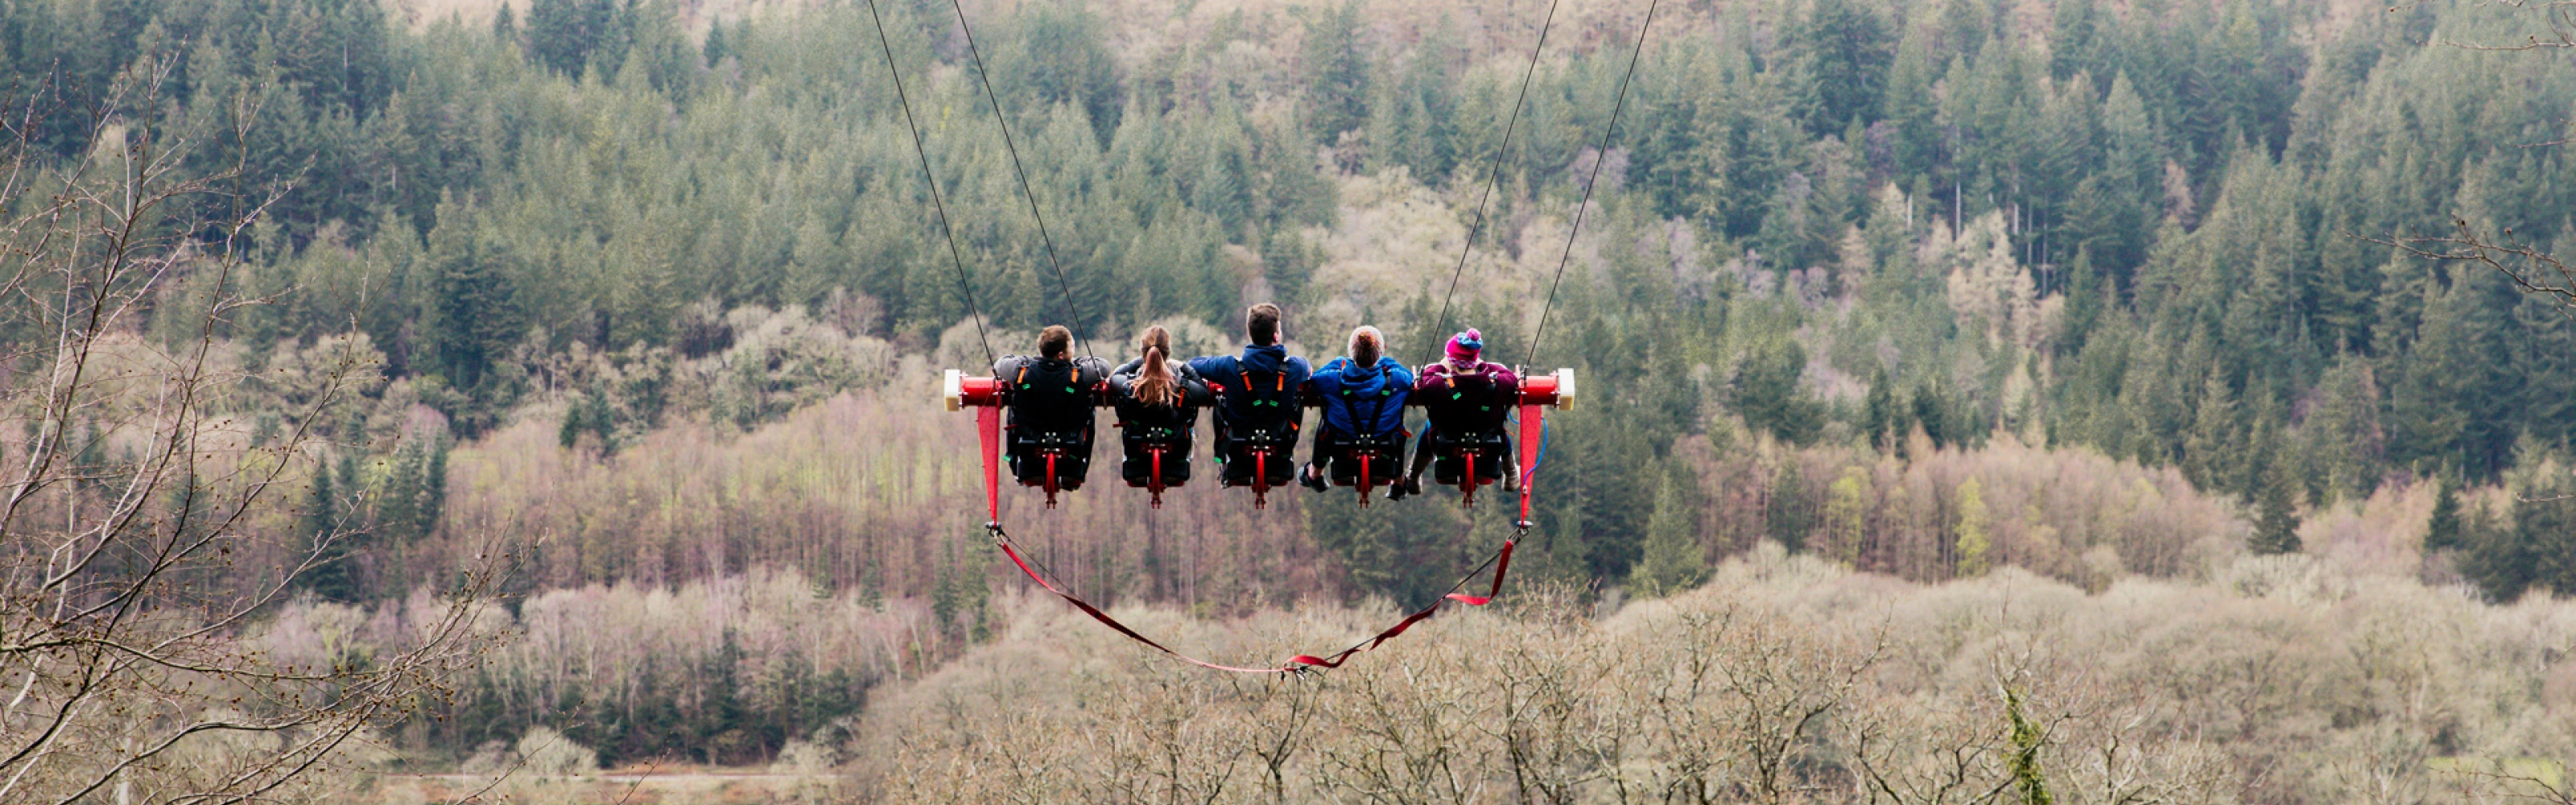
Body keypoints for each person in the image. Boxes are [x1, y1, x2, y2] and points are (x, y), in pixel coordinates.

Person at [1187, 303, 1312, 489]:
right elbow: (1309, 371)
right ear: (1276, 336)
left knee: (1221, 401)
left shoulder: (1229, 366)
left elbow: (1192, 365)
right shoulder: (1295, 367)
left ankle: (1222, 460)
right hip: (1281, 440)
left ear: (1250, 335)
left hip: (1238, 441)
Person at [1399, 328, 1519, 499]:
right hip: (1488, 445)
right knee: (1498, 427)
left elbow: (1423, 380)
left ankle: (1413, 477)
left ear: (1452, 362)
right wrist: (1483, 365)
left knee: (1430, 426)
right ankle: (1511, 475)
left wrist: (1442, 365)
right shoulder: (1499, 384)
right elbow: (1510, 376)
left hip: (1445, 446)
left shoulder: (1438, 386)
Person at [992, 325, 1111, 491]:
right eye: (1072, 348)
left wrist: (1030, 361)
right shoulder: (1081, 375)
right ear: (1061, 355)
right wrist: (1077, 363)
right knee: (1089, 410)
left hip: (1029, 442)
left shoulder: (1021, 373)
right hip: (1071, 445)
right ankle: (1080, 469)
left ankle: (1013, 462)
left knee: (1014, 405)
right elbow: (1104, 367)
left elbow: (1000, 364)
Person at [1302, 325, 1414, 493]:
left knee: (1325, 423)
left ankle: (1315, 473)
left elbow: (1314, 380)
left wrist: (1340, 362)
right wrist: (1385, 360)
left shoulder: (1331, 380)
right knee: (1398, 429)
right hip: (1385, 442)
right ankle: (1398, 481)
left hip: (1342, 441)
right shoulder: (1397, 380)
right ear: (1380, 353)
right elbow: (1409, 377)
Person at [1107, 325, 1213, 488]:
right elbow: (1203, 393)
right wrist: (1183, 366)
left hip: (1136, 446)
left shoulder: (1131, 384)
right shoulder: (1180, 384)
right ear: (1168, 352)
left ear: (1144, 352)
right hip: (1176, 445)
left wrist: (1138, 362)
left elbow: (1114, 377)